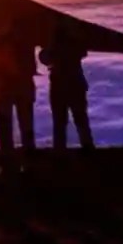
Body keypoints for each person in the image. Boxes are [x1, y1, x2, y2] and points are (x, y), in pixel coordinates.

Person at [0, 19, 38, 162]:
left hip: (12, 89)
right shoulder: (24, 36)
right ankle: (22, 160)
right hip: (9, 89)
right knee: (16, 128)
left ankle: (18, 160)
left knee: (18, 128)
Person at [39, 22, 95, 151]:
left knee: (63, 122)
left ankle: (63, 152)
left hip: (63, 82)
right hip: (71, 81)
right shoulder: (73, 36)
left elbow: (45, 58)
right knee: (77, 120)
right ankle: (86, 150)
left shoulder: (58, 38)